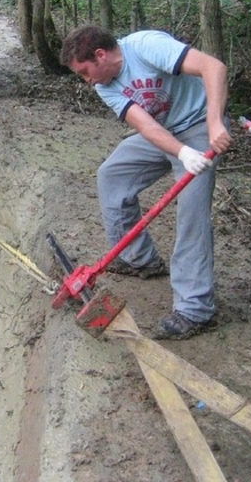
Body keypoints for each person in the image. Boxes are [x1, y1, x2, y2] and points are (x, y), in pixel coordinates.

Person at [59, 25, 232, 340]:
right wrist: (180, 152)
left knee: (191, 216)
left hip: (198, 127)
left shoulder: (145, 47)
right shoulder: (105, 85)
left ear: (100, 55)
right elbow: (146, 125)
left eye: (85, 71)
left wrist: (215, 121)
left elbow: (214, 67)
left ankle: (196, 310)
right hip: (165, 134)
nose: (86, 80)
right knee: (112, 176)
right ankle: (139, 259)